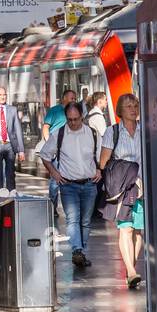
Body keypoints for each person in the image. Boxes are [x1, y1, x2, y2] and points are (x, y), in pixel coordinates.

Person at [40, 101, 101, 268]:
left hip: (89, 184)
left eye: (76, 119)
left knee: (86, 221)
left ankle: (81, 250)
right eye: (70, 119)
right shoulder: (59, 134)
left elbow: (101, 154)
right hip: (68, 185)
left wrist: (99, 169)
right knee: (72, 219)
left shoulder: (92, 133)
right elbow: (45, 155)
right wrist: (54, 173)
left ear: (82, 116)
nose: (73, 123)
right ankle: (77, 251)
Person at [99, 93, 144, 290]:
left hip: (144, 187)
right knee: (126, 228)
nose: (133, 109)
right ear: (120, 110)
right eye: (128, 106)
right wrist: (127, 170)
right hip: (125, 187)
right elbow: (103, 162)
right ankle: (132, 271)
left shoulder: (145, 130)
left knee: (138, 231)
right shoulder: (112, 132)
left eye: (135, 105)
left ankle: (130, 270)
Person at [41, 87, 78, 220]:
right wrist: (49, 143)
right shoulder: (55, 110)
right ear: (64, 98)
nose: (74, 100)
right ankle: (52, 206)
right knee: (55, 180)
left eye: (75, 98)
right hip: (56, 150)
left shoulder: (75, 111)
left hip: (70, 150)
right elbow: (46, 127)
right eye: (71, 98)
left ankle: (71, 208)